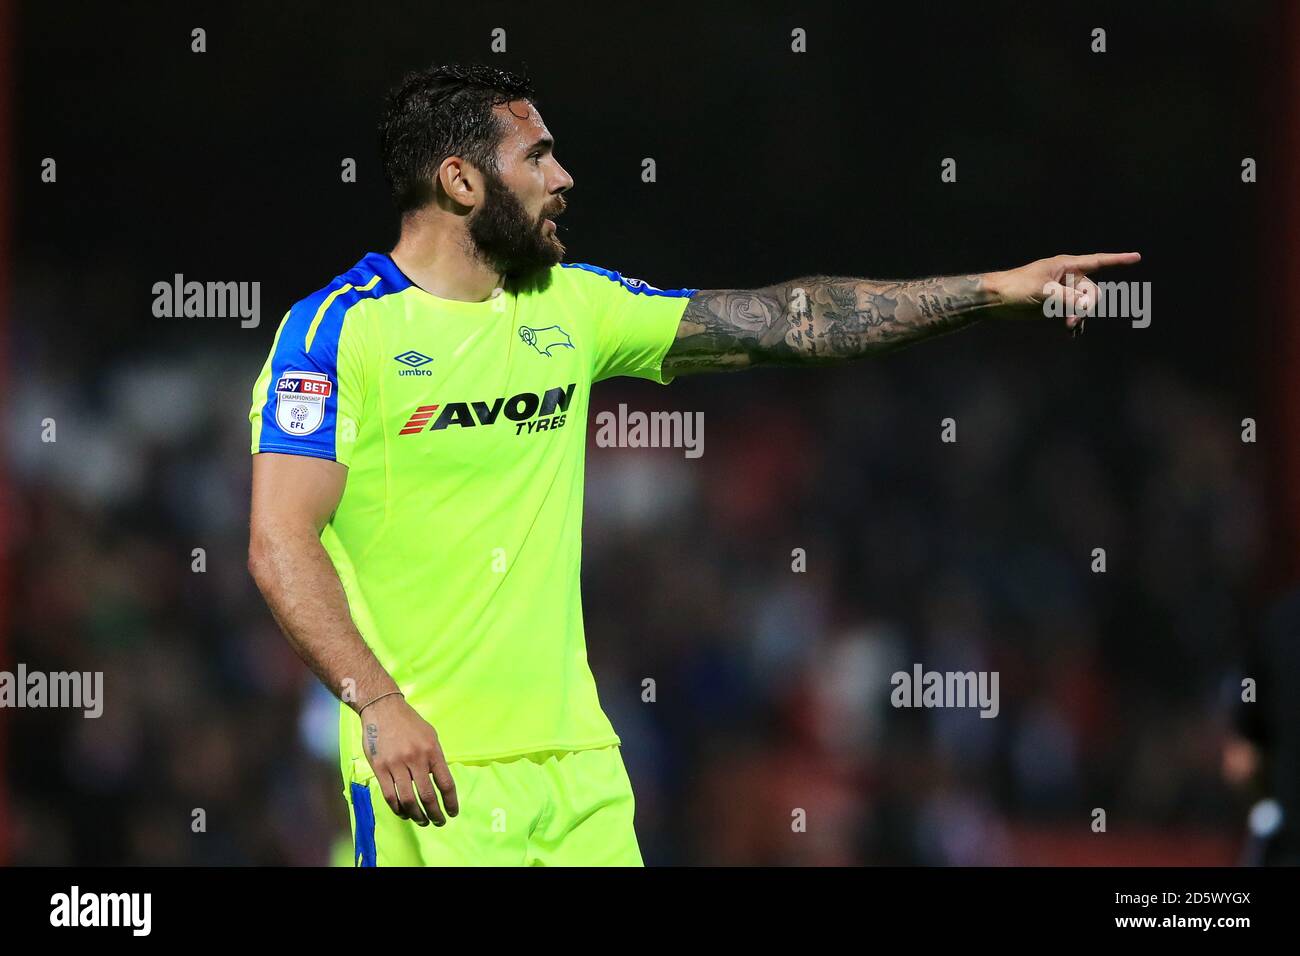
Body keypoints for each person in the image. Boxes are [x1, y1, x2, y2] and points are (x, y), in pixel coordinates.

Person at [246, 62, 1140, 866]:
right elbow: (280, 540)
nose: (564, 179)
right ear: (461, 179)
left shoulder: (575, 308)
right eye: (539, 157)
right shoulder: (336, 334)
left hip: (581, 772)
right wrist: (379, 705)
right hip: (433, 768)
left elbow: (794, 323)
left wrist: (986, 293)